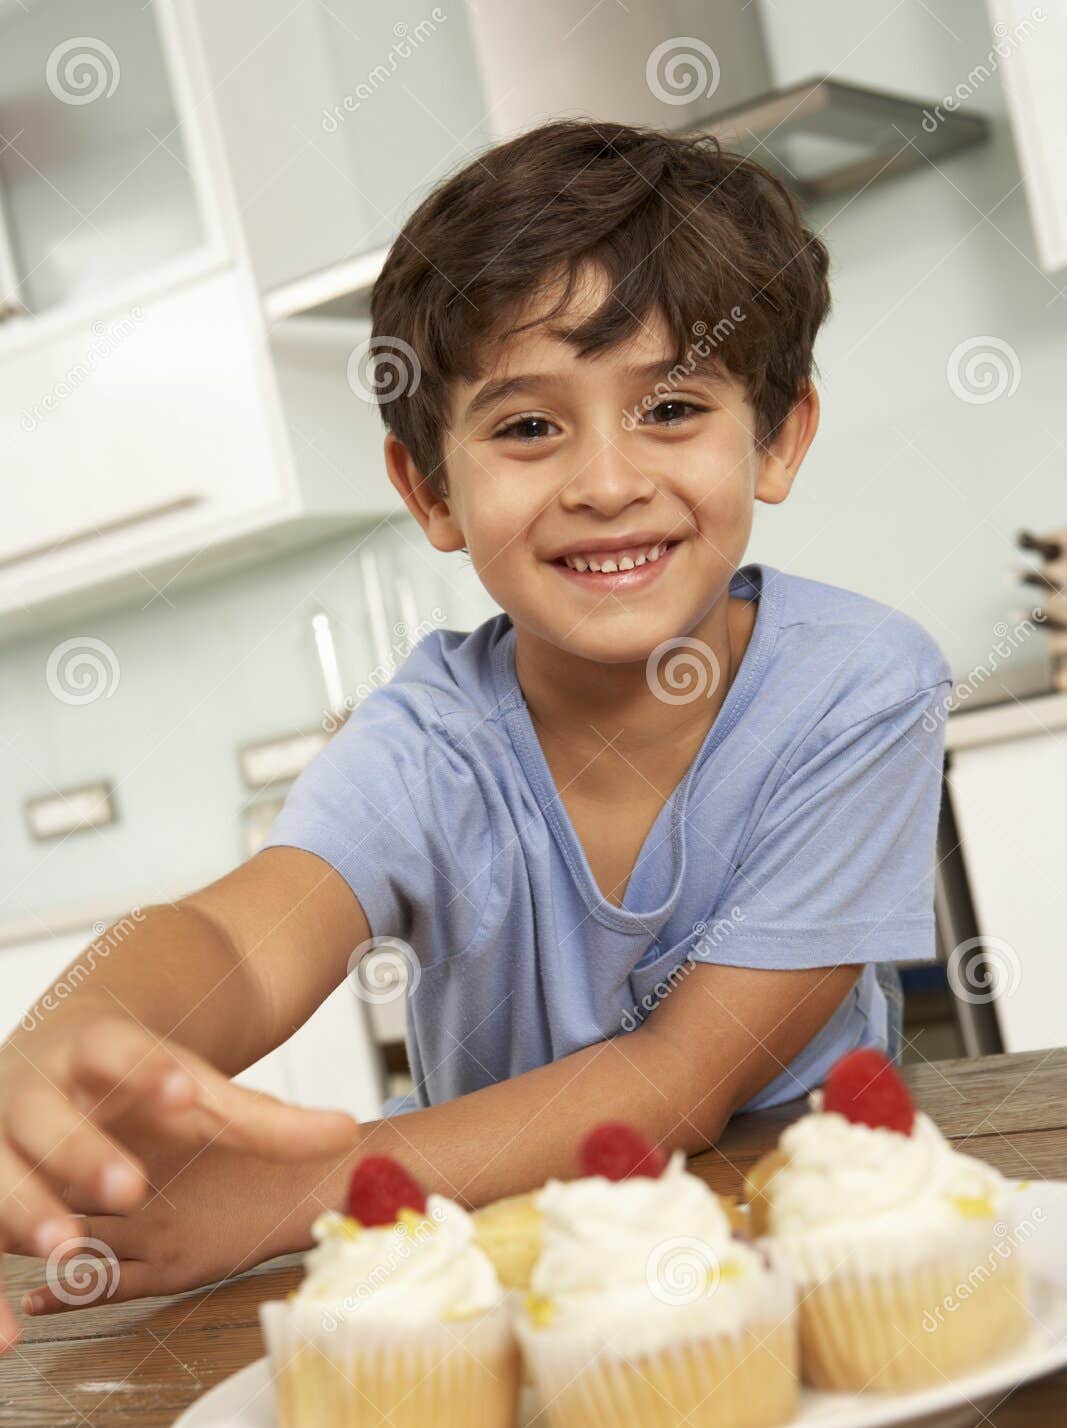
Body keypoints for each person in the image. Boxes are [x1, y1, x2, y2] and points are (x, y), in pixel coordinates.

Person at [0, 120, 951, 1341]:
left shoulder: (857, 689)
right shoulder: (423, 745)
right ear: (428, 490)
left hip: (821, 1259)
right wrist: (69, 1028)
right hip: (519, 1279)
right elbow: (238, 938)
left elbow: (676, 1080)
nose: (605, 480)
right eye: (525, 427)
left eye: (669, 407)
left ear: (776, 438)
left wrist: (290, 1193)